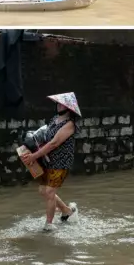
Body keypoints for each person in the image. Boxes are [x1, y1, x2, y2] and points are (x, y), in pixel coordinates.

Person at [21, 92, 80, 231]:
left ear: (68, 108)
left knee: (49, 192)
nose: (58, 106)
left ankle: (49, 225)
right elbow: (45, 136)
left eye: (62, 104)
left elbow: (53, 143)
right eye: (58, 103)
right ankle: (67, 211)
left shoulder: (70, 124)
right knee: (43, 190)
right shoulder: (54, 119)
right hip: (48, 159)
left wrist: (34, 156)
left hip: (61, 162)